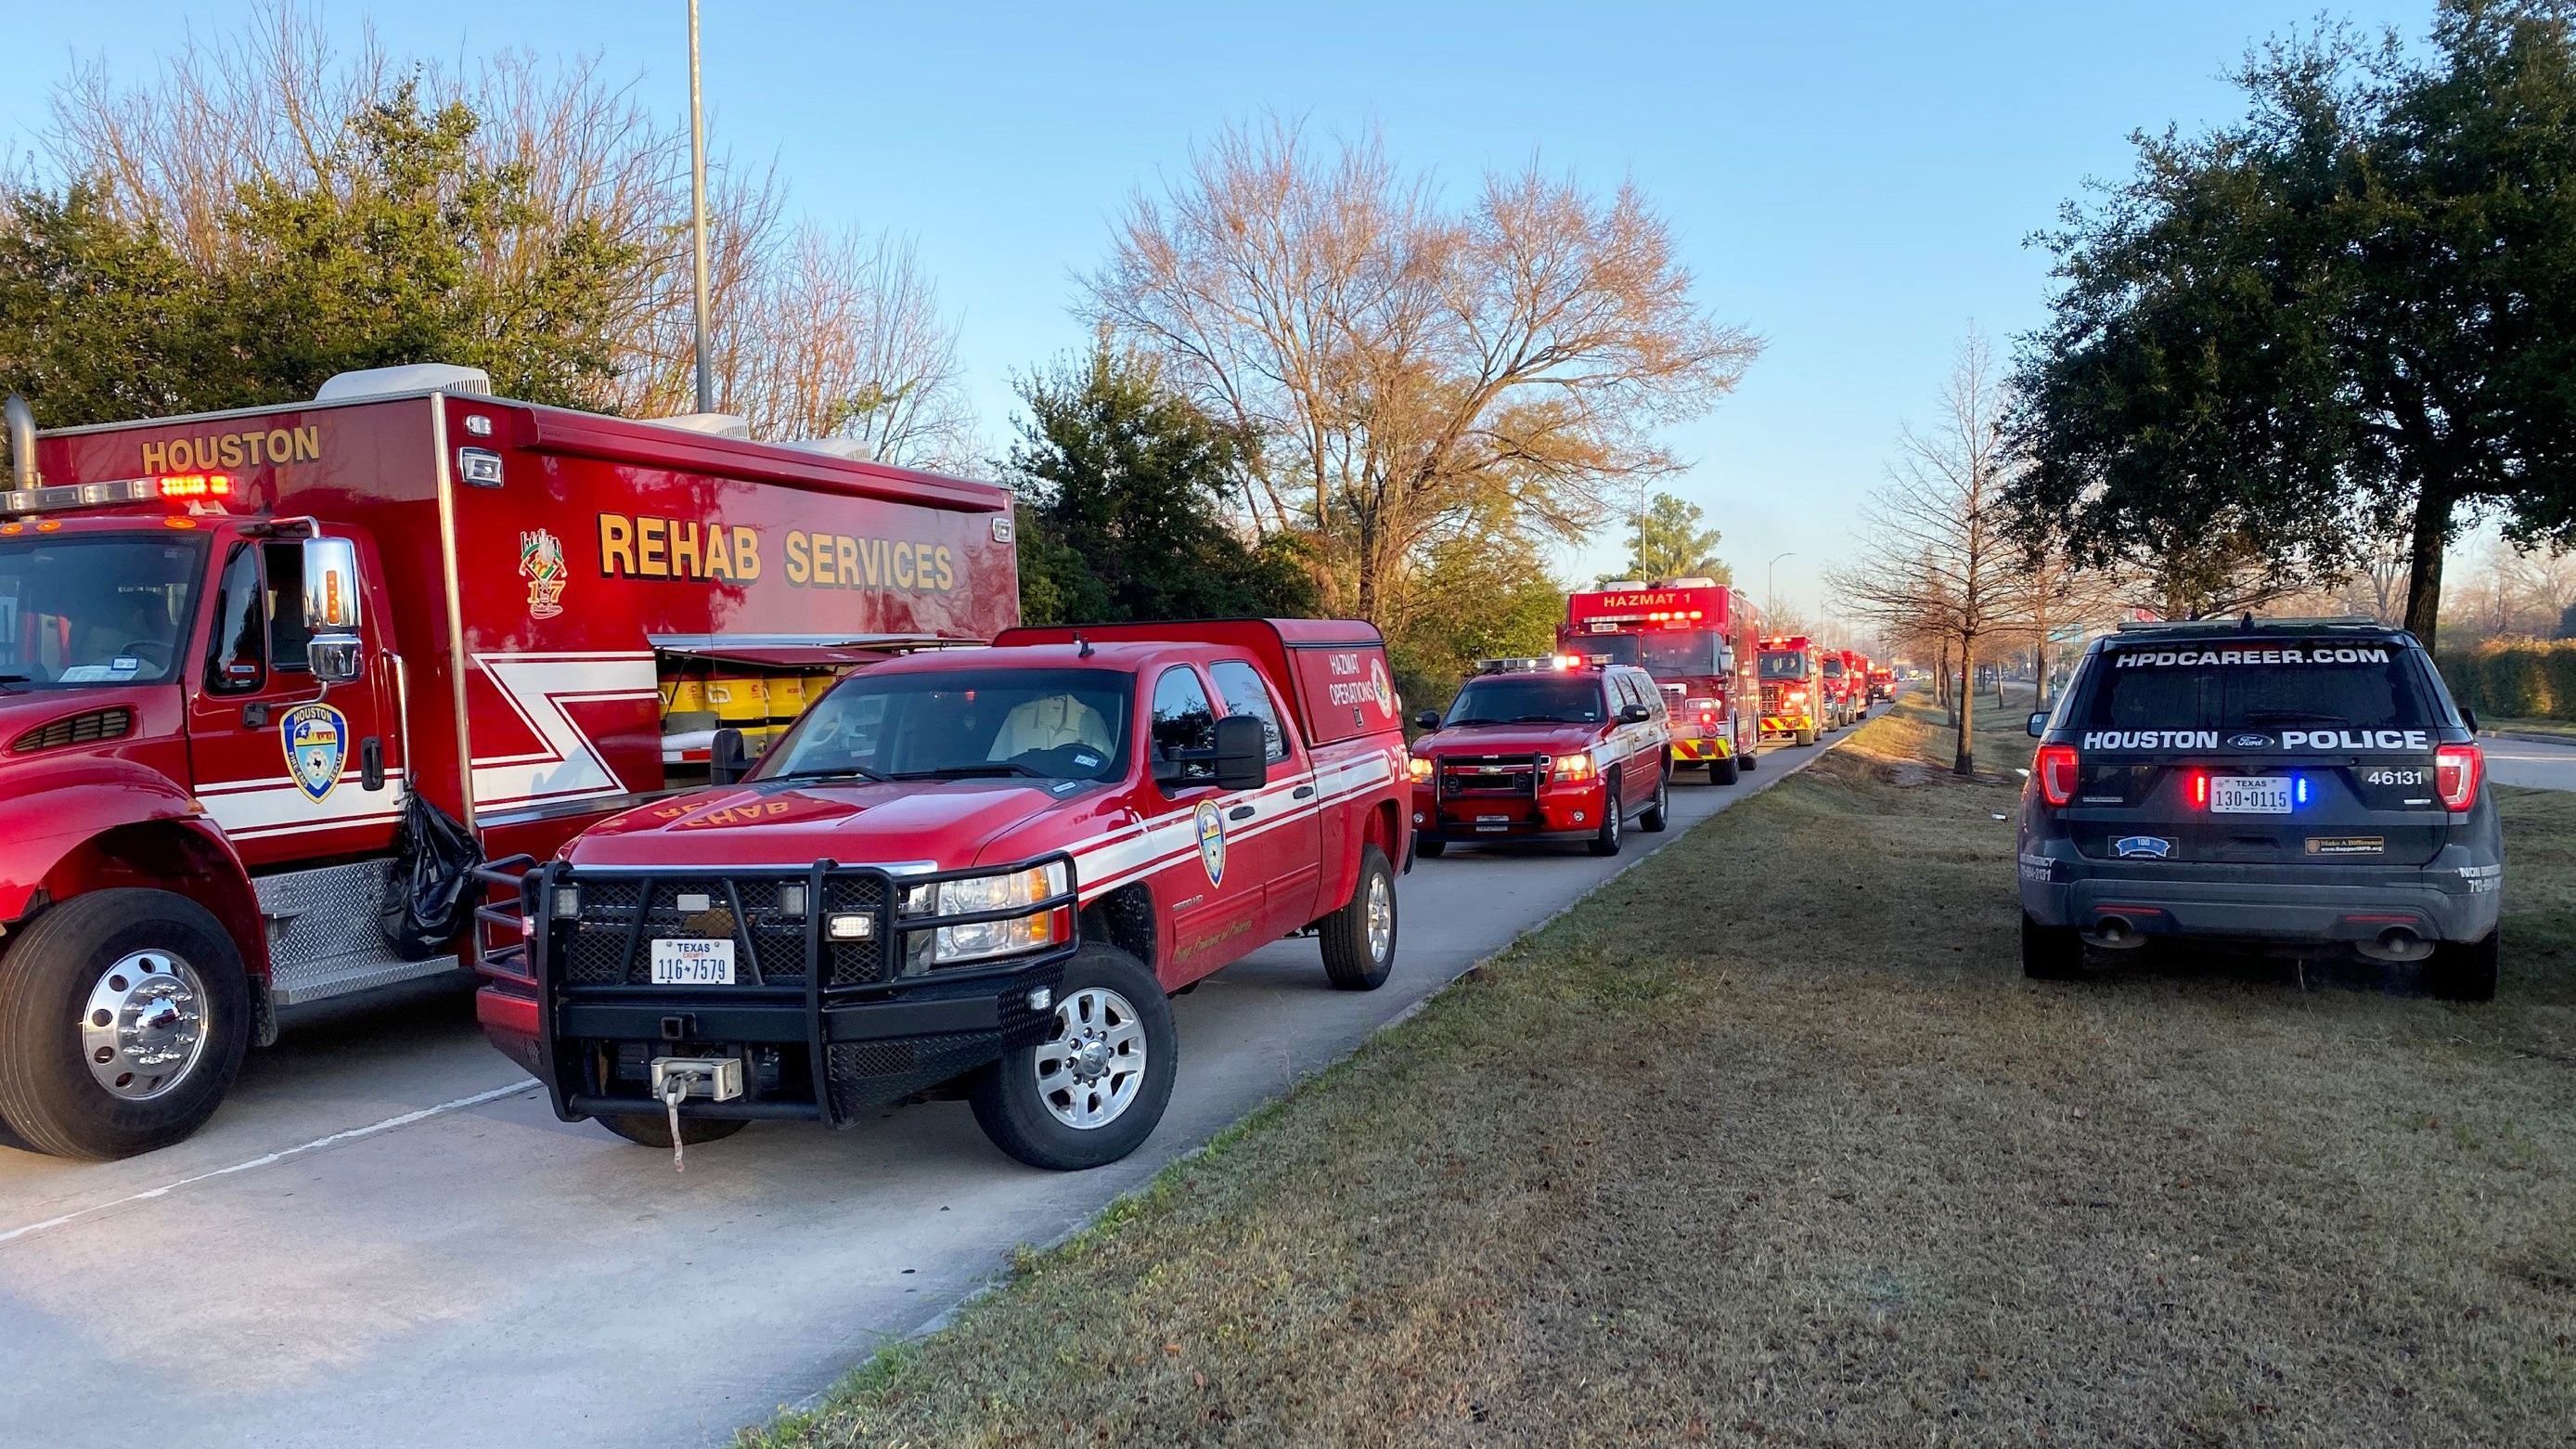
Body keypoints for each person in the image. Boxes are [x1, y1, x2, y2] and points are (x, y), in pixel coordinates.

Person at [988, 692, 1111, 761]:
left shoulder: (1089, 718)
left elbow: (1105, 767)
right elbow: (995, 769)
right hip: (1020, 800)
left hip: (1081, 800)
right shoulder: (1019, 716)